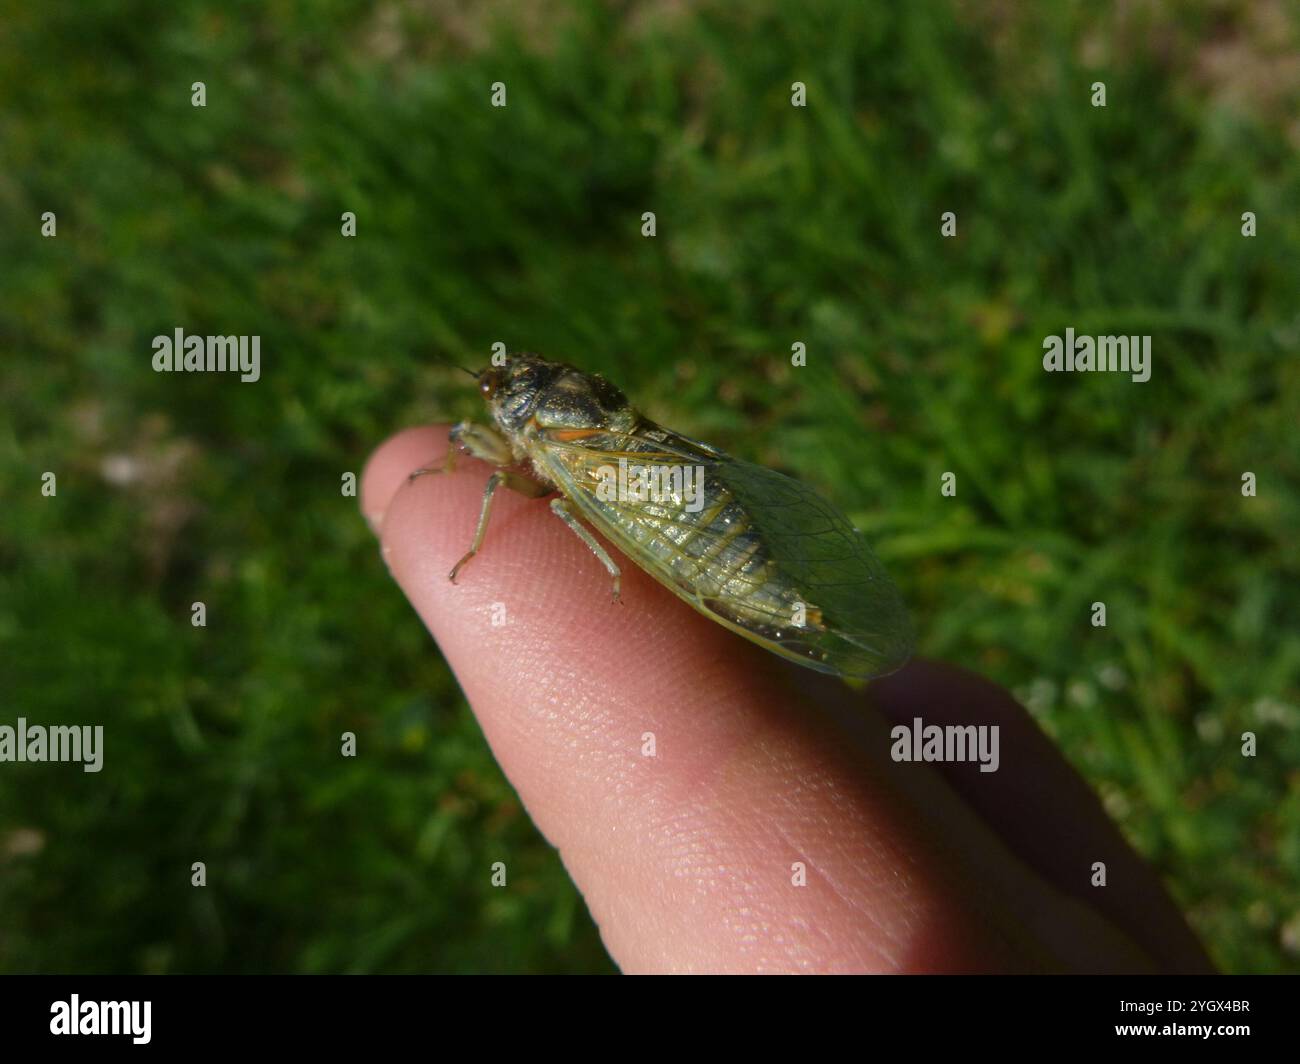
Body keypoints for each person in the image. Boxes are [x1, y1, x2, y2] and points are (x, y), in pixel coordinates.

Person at [361, 426, 1213, 974]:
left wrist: (610, 557)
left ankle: (785, 601)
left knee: (497, 491)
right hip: (651, 479)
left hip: (635, 495)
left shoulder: (530, 454)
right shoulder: (535, 438)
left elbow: (525, 486)